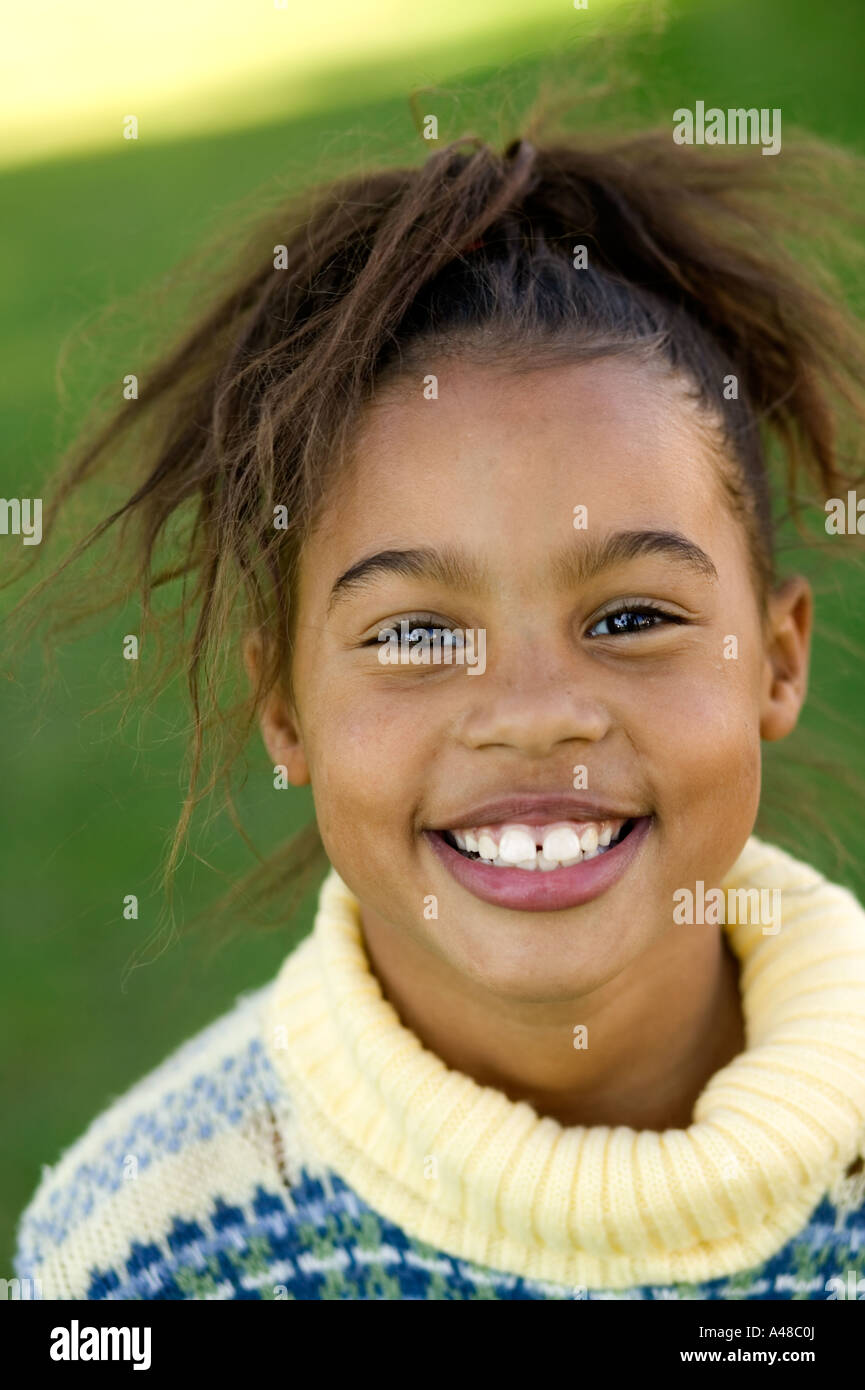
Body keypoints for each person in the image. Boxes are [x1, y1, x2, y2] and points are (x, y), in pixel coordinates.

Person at [13, 125, 865, 1300]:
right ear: (286, 710)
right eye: (415, 635)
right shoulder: (142, 1252)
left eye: (628, 619)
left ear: (776, 659)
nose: (531, 716)